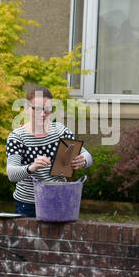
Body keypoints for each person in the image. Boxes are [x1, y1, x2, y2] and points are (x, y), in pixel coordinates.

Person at [7, 86, 91, 216]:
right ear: (27, 108)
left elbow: (88, 156)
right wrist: (32, 167)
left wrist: (83, 160)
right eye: (38, 109)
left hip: (59, 199)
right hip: (28, 205)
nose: (43, 114)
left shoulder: (59, 131)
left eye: (47, 109)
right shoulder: (17, 137)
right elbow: (12, 174)